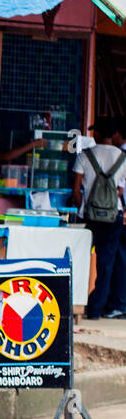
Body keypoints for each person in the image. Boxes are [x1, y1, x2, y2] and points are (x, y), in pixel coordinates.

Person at [71, 119, 126, 320]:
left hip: (90, 217)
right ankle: (96, 310)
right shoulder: (122, 157)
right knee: (106, 263)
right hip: (114, 216)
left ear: (99, 133)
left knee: (81, 259)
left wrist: (82, 206)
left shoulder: (85, 156)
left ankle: (77, 303)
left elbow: (76, 189)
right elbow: (120, 190)